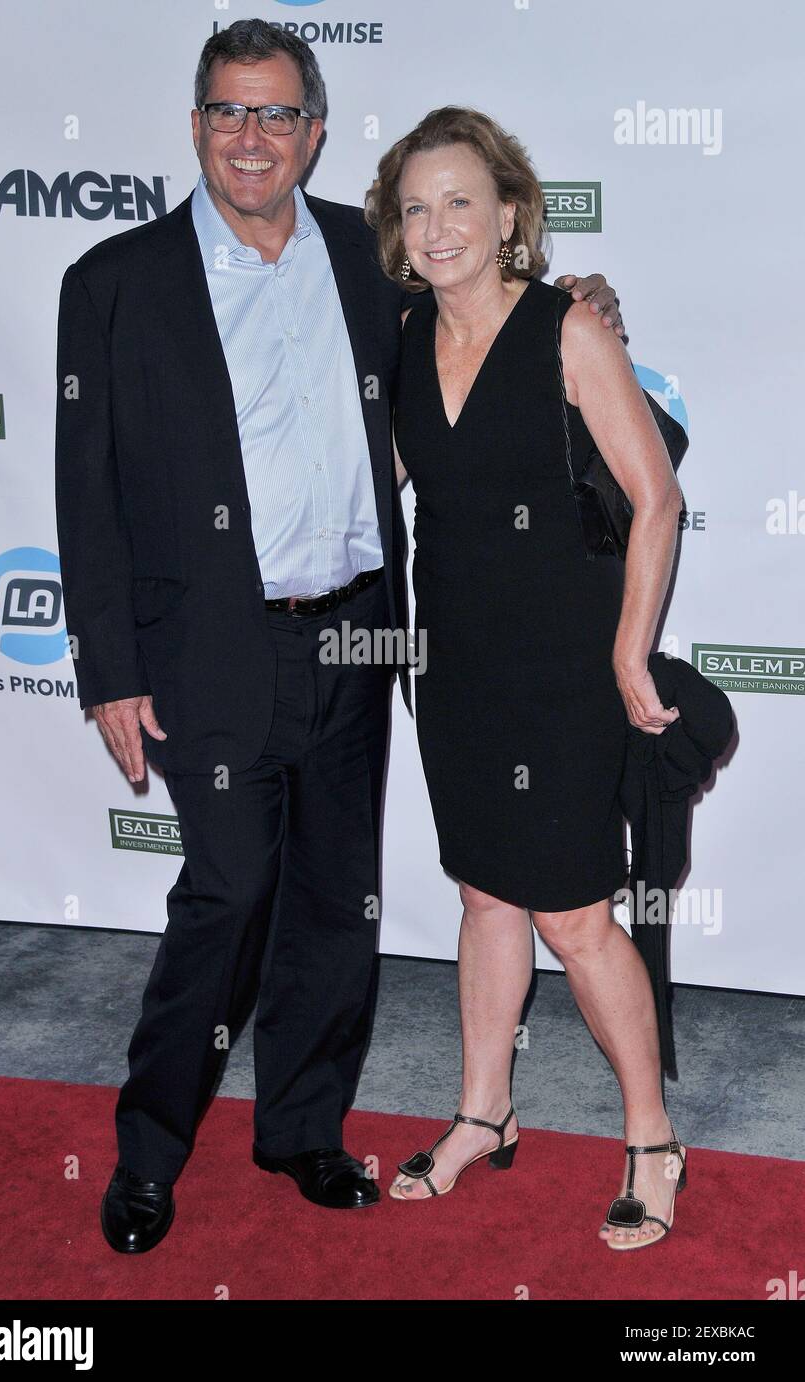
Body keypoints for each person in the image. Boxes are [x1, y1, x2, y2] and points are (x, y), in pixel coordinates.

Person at [54, 22, 625, 1254]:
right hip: (207, 647)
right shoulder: (112, 281)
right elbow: (83, 487)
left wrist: (585, 298)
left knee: (332, 899)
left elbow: (497, 324)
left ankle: (302, 1128)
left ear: (313, 131)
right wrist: (107, 666)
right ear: (195, 123)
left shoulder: (374, 277)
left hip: (360, 636)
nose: (249, 137)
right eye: (225, 112)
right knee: (224, 895)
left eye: (274, 115)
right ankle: (149, 1153)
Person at [368, 106, 687, 1249]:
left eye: (459, 200)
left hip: (560, 665)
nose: (437, 223)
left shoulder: (563, 330)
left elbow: (655, 497)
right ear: (395, 231)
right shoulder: (401, 339)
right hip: (452, 665)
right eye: (415, 206)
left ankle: (651, 1136)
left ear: (507, 214)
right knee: (483, 895)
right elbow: (382, 480)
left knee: (575, 911)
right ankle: (482, 1110)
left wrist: (625, 648)